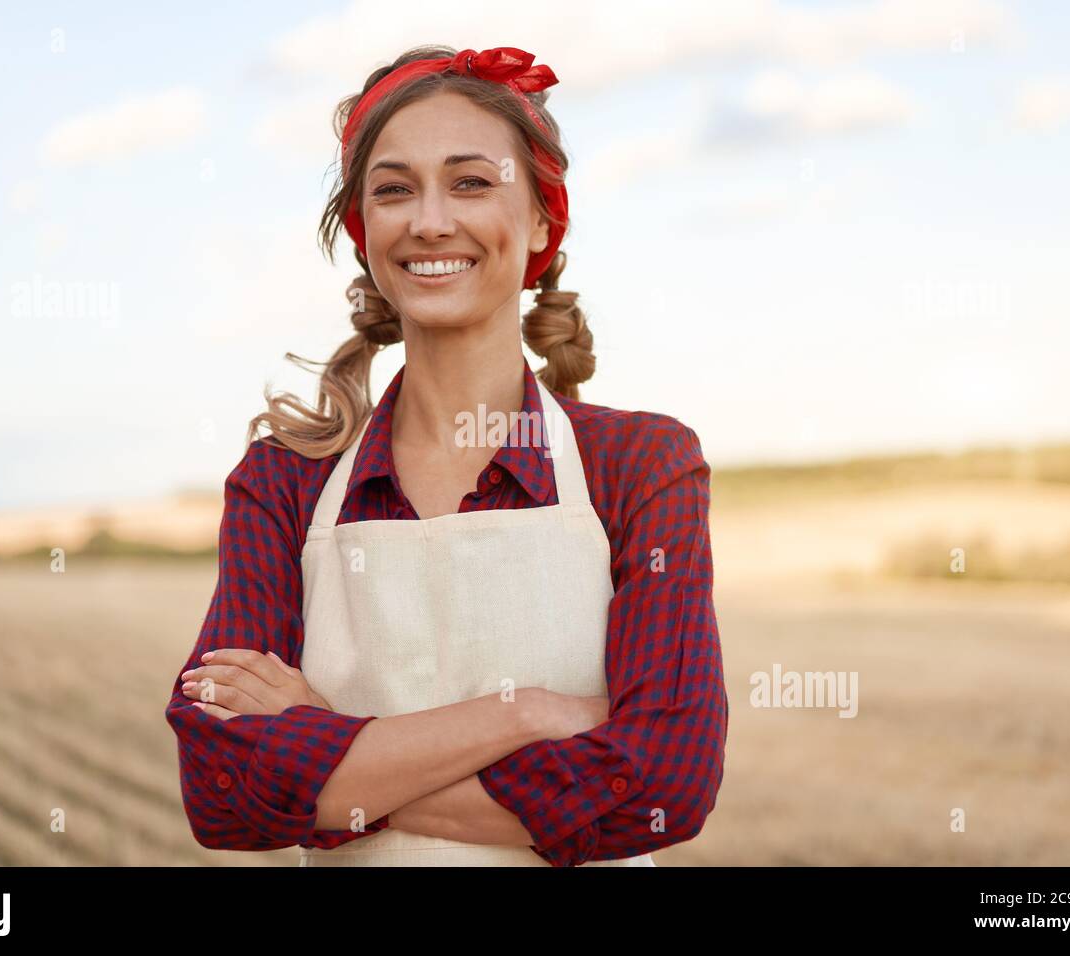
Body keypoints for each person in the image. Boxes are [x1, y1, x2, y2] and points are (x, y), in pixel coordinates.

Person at [164, 45, 728, 867]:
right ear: (364, 233)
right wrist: (523, 716)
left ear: (541, 219)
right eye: (394, 190)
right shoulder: (282, 483)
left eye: (471, 182)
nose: (430, 221)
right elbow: (220, 789)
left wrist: (328, 759)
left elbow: (665, 782)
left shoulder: (640, 465)